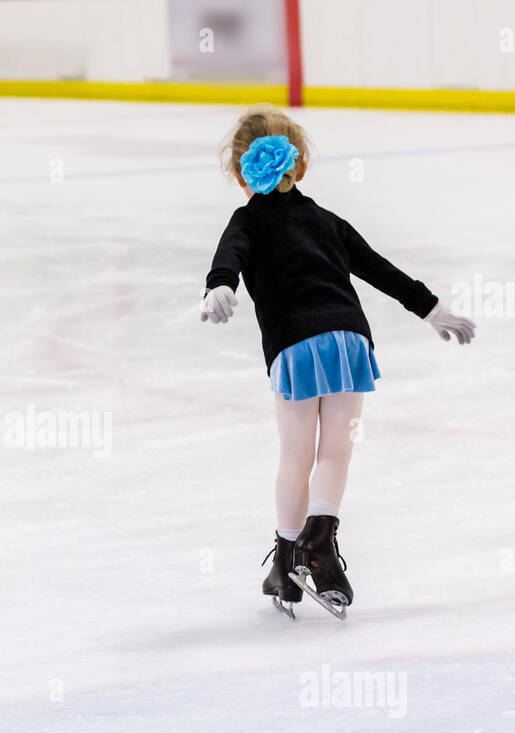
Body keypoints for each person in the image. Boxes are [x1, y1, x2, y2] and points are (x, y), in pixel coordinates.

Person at [201, 105, 475, 618]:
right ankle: (319, 541)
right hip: (350, 342)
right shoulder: (327, 221)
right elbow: (380, 270)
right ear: (299, 167)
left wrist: (219, 286)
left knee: (295, 456)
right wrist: (432, 310)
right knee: (334, 454)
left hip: (295, 348)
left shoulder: (247, 221)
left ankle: (288, 557)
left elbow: (230, 256)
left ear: (240, 174)